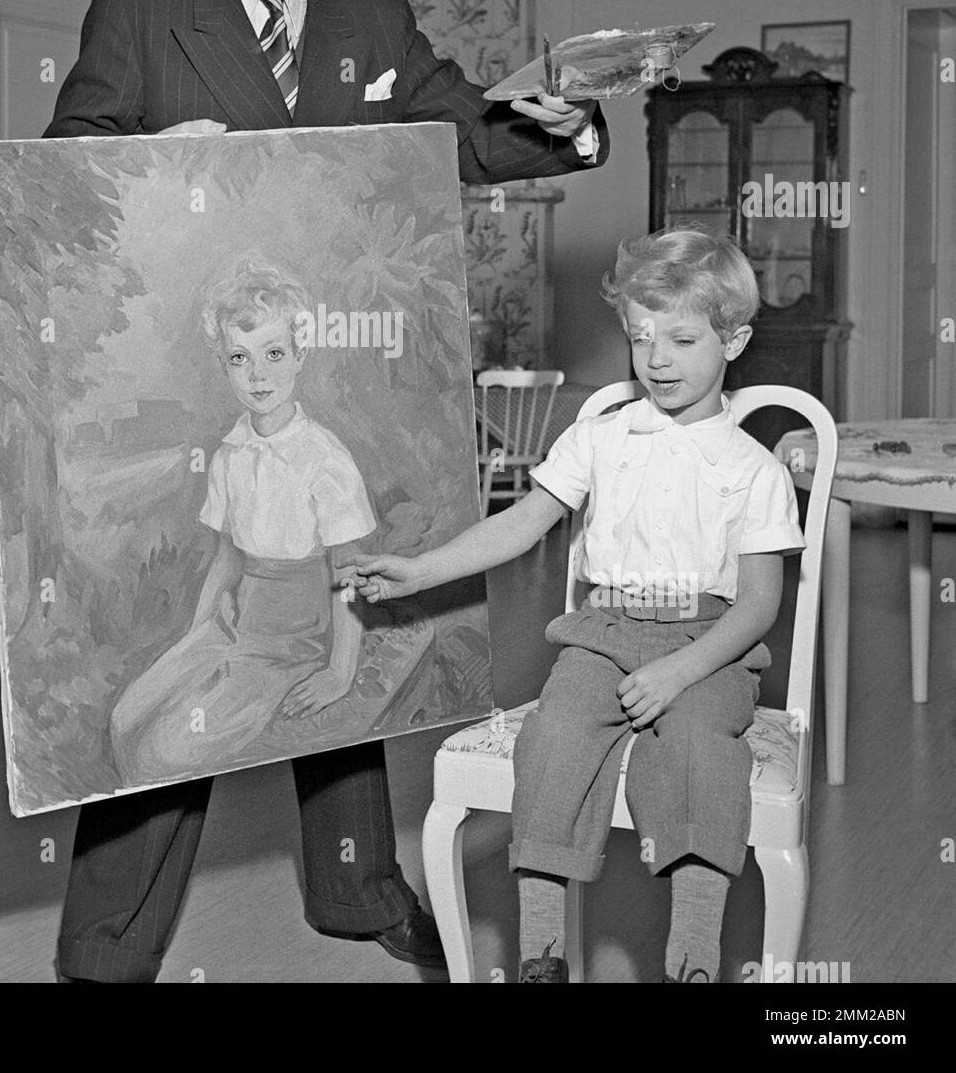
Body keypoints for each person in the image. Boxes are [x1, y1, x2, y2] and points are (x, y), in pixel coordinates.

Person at [43, 0, 610, 984]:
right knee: (187, 659)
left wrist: (574, 121)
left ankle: (354, 887)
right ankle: (104, 951)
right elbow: (61, 191)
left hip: (342, 368)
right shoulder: (139, 15)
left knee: (345, 624)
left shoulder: (370, 21)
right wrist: (143, 163)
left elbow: (467, 130)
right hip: (204, 379)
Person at [343, 229, 805, 983]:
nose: (656, 360)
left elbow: (756, 606)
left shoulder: (753, 470)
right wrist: (417, 571)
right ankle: (541, 955)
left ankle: (690, 962)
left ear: (734, 339)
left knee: (695, 751)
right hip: (603, 632)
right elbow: (521, 523)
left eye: (682, 339)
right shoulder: (601, 436)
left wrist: (679, 672)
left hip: (707, 640)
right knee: (552, 736)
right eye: (639, 337)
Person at [110, 257, 376, 781]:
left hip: (290, 643)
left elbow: (351, 572)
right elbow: (227, 558)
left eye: (274, 353)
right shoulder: (230, 454)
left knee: (166, 752)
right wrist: (196, 643)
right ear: (224, 365)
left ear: (301, 355)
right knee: (123, 719)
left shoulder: (326, 460)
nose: (258, 374)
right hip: (230, 626)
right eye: (240, 357)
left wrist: (340, 672)